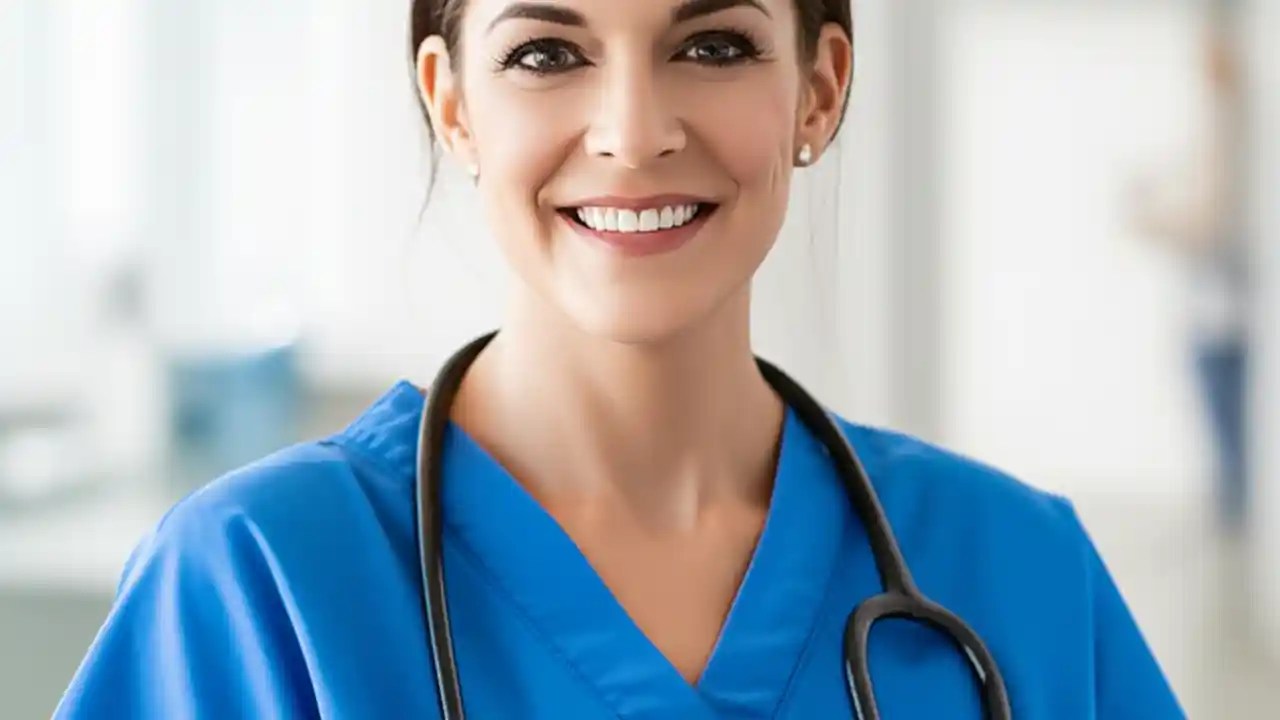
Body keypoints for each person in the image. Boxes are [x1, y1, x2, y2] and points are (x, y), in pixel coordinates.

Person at [57, 0, 1183, 716]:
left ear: (819, 88)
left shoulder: (1018, 573)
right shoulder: (261, 587)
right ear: (452, 107)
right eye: (548, 53)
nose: (632, 130)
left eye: (711, 46)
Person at [1130, 0, 1249, 533]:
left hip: (1226, 314)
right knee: (1225, 444)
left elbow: (1214, 223)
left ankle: (1233, 536)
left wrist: (1158, 223)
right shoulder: (1216, 129)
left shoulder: (1235, 134)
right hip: (1214, 308)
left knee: (1231, 452)